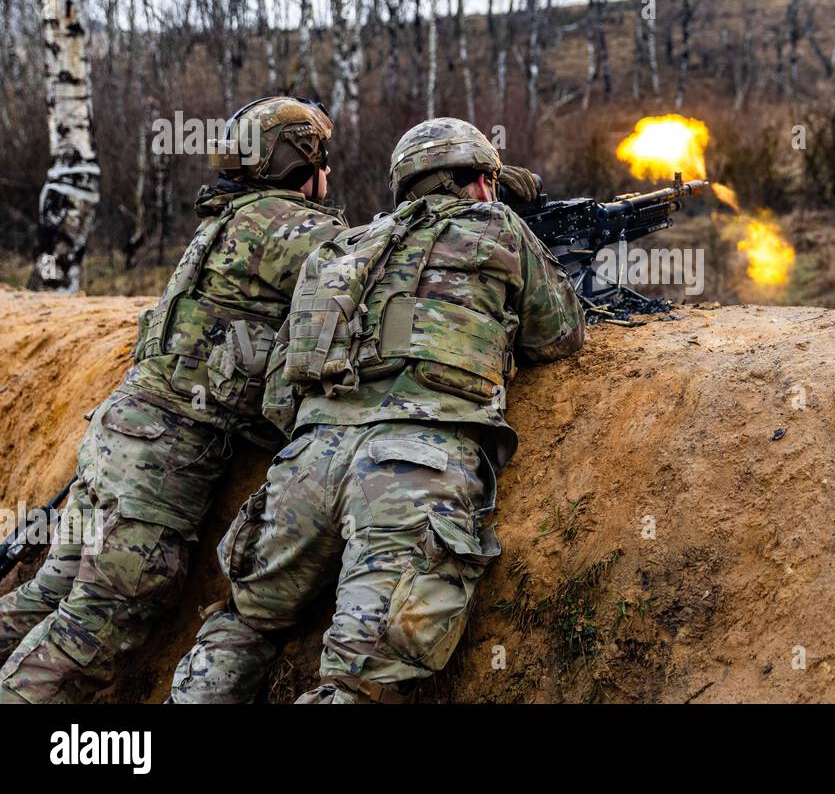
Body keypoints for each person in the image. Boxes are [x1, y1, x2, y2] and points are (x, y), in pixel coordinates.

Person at [170, 117, 584, 703]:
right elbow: (560, 333)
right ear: (482, 182)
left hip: (308, 465)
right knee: (361, 681)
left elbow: (281, 390)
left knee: (247, 622)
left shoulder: (344, 246)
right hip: (411, 470)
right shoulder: (498, 226)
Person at [0, 97, 347, 703]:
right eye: (324, 159)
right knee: (96, 632)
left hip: (115, 438)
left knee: (48, 593)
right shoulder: (296, 229)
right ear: (303, 160)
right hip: (159, 466)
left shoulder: (223, 221)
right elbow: (392, 270)